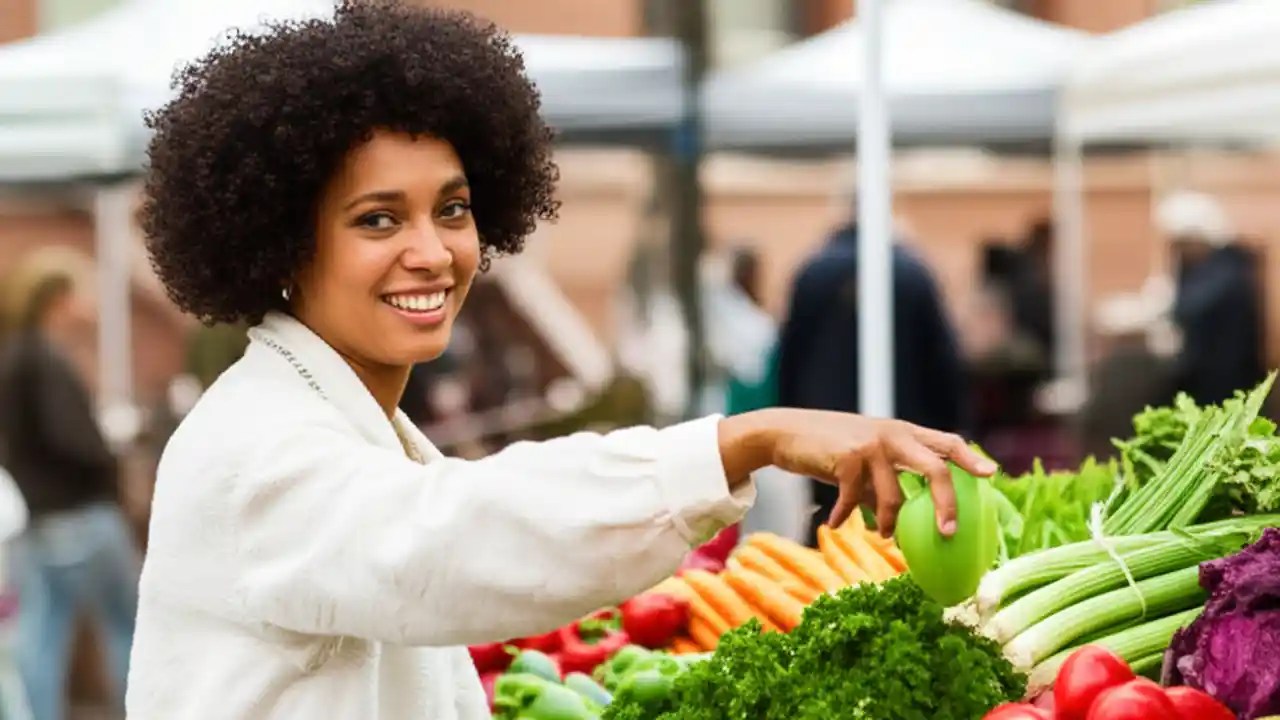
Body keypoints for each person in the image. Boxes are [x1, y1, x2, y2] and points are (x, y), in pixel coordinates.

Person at [125, 4, 995, 718]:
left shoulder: (346, 419)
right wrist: (746, 440)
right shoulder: (257, 449)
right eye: (378, 219)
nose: (432, 252)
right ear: (281, 246)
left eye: (454, 209)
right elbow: (453, 542)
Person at [0, 247, 140, 720]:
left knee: (42, 636)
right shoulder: (47, 360)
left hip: (39, 520)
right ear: (57, 298)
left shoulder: (11, 357)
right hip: (83, 515)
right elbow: (73, 439)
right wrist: (107, 457)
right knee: (128, 627)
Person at [775, 220, 968, 545]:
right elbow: (943, 365)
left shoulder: (811, 272)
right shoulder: (914, 274)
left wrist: (791, 425)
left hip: (822, 432)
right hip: (906, 427)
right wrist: (952, 426)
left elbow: (788, 357)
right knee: (903, 529)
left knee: (828, 523)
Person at [1155, 191, 1265, 406]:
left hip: (1224, 383)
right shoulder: (1219, 267)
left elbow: (1186, 308)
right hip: (1215, 379)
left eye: (1181, 244)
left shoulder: (1225, 270)